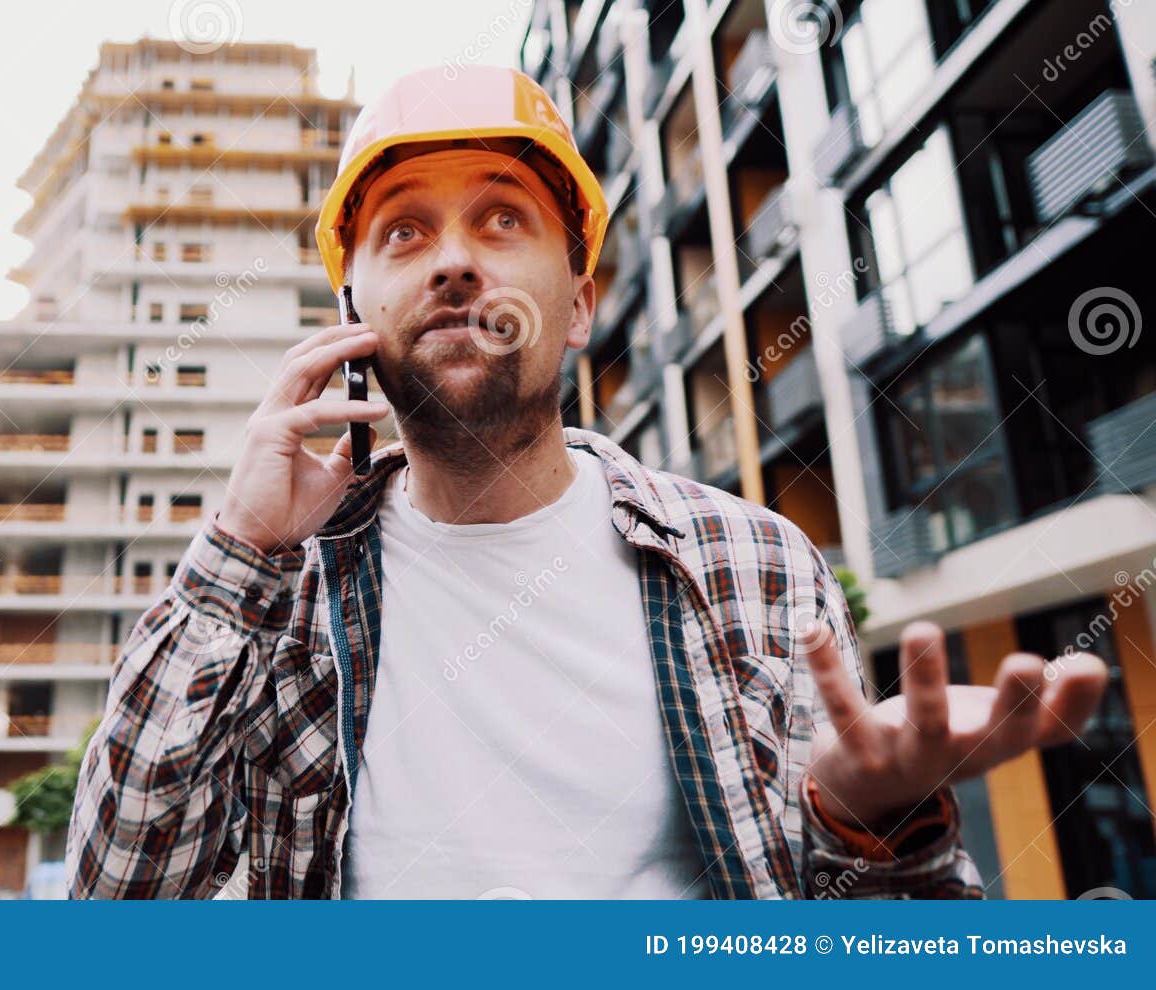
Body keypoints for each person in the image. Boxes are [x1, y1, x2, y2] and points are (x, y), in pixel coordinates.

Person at [66, 65, 1108, 899]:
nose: (453, 263)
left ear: (577, 304)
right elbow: (118, 905)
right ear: (352, 311)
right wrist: (236, 554)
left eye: (501, 219)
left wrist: (863, 821)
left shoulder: (755, 564)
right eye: (403, 231)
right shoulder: (279, 591)